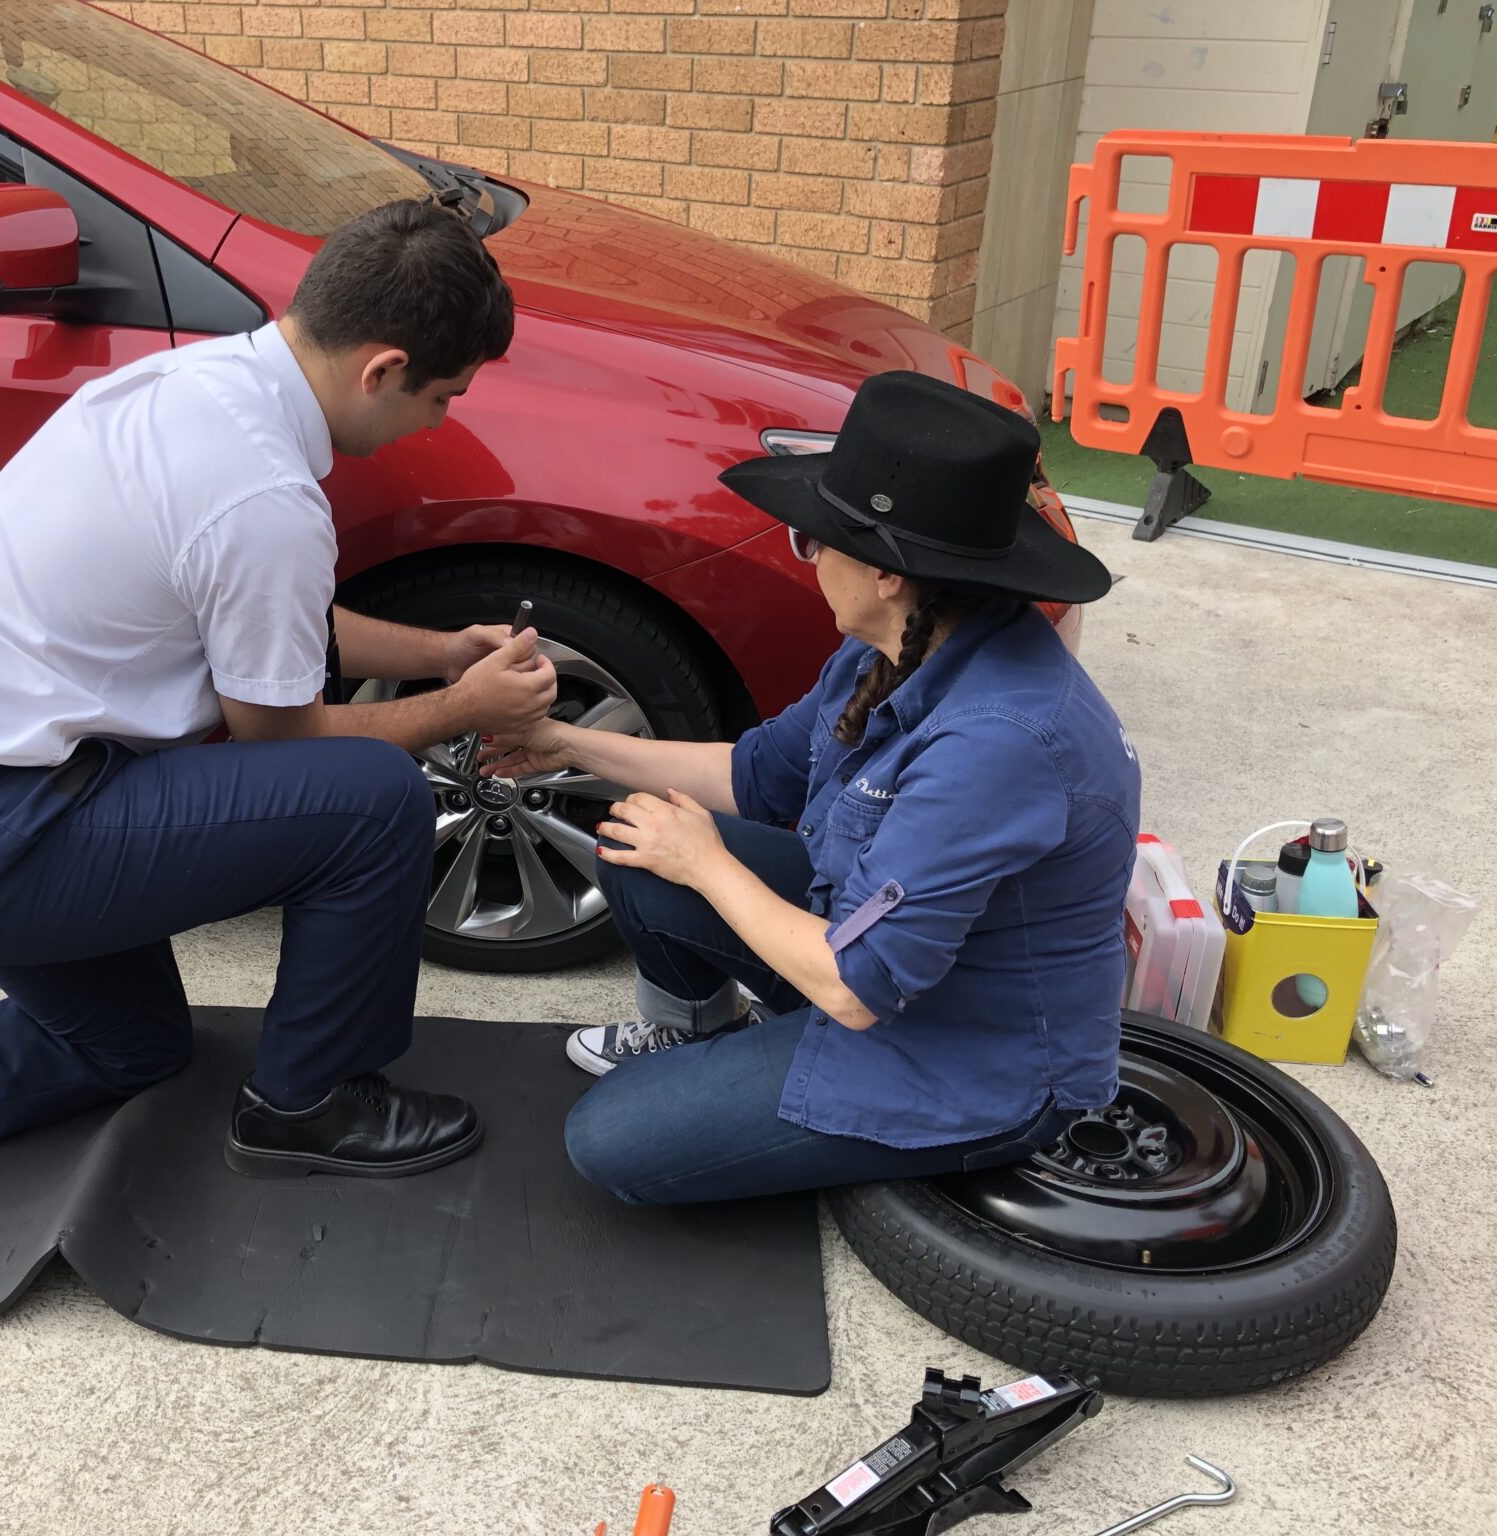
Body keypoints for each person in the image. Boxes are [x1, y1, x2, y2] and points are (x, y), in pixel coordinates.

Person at [0, 199, 554, 1268]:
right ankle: (308, 1105)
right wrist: (463, 714)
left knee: (132, 1049)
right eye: (440, 398)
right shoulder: (263, 491)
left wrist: (441, 654)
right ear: (381, 369)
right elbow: (281, 741)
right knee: (374, 803)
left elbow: (254, 612)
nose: (436, 422)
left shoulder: (186, 389)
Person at [481, 371, 1139, 1206]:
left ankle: (800, 1084)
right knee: (637, 835)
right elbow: (752, 775)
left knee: (608, 1141)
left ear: (890, 573)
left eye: (814, 539)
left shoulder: (997, 745)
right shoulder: (898, 647)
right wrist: (564, 743)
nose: (809, 553)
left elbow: (859, 988)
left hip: (968, 1054)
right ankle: (700, 1033)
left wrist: (706, 865)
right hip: (878, 952)